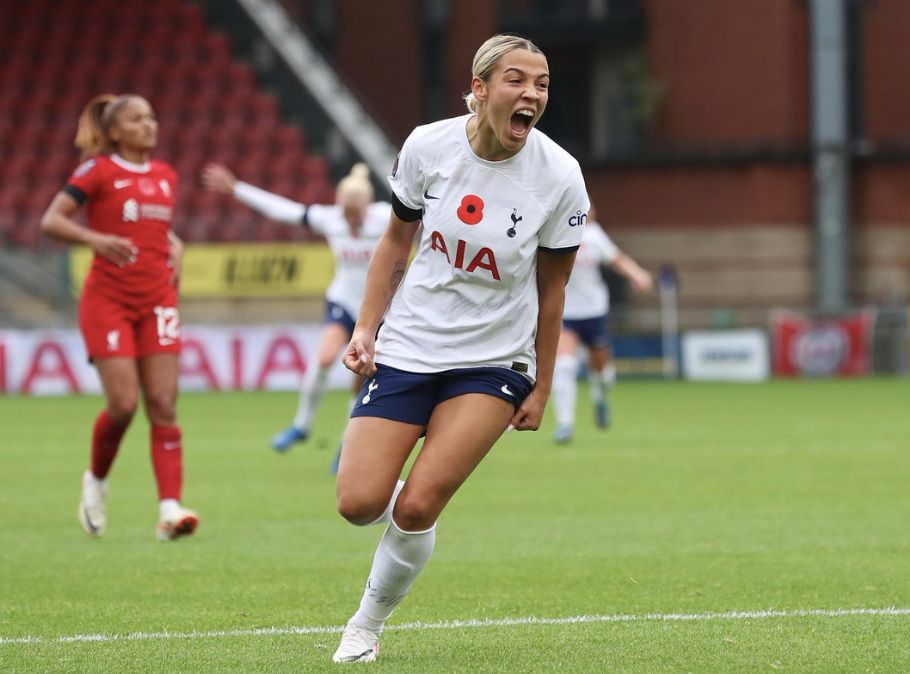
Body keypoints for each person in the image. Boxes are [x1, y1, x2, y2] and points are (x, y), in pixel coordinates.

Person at [329, 34, 589, 663]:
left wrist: (543, 385)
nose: (532, 94)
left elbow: (552, 294)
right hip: (410, 343)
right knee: (358, 503)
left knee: (418, 503)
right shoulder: (428, 145)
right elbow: (395, 243)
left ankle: (365, 626)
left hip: (496, 360)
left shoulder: (560, 177)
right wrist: (367, 328)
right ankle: (401, 503)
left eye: (543, 84)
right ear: (479, 89)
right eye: (517, 80)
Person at [40, 94, 199, 541]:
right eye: (137, 119)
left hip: (158, 300)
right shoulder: (98, 170)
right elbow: (51, 221)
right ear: (114, 132)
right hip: (108, 300)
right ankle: (96, 480)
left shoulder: (165, 176)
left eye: (151, 116)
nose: (149, 124)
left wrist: (175, 242)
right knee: (124, 404)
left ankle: (170, 511)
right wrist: (95, 239)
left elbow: (150, 225)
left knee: (164, 405)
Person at [200, 163, 390, 459]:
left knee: (363, 375)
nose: (352, 220)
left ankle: (347, 440)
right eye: (347, 214)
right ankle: (301, 425)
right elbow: (283, 210)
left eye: (357, 214)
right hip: (343, 300)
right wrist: (237, 188)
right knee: (326, 357)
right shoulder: (330, 219)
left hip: (378, 307)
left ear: (368, 207)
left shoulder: (385, 218)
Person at [551, 205, 654, 443]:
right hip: (567, 313)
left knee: (603, 373)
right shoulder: (556, 232)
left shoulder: (594, 235)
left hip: (594, 311)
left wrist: (637, 274)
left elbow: (617, 259)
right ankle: (565, 424)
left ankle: (600, 399)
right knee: (564, 366)